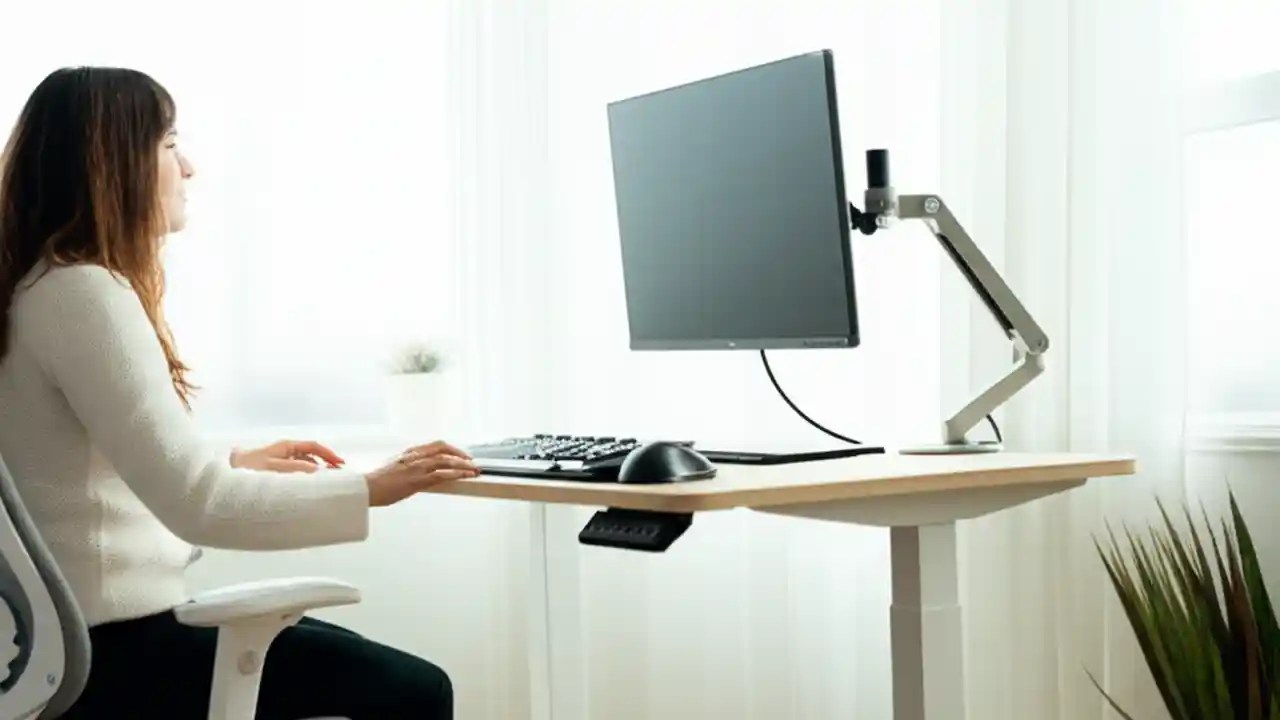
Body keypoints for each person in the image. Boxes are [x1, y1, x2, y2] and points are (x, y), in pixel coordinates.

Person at [0, 66, 473, 718]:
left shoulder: (31, 289)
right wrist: (374, 488)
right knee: (414, 692)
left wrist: (232, 464)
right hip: (111, 654)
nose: (187, 167)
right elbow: (202, 507)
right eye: (169, 146)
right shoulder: (84, 294)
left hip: (61, 651)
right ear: (115, 162)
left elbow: (69, 475)